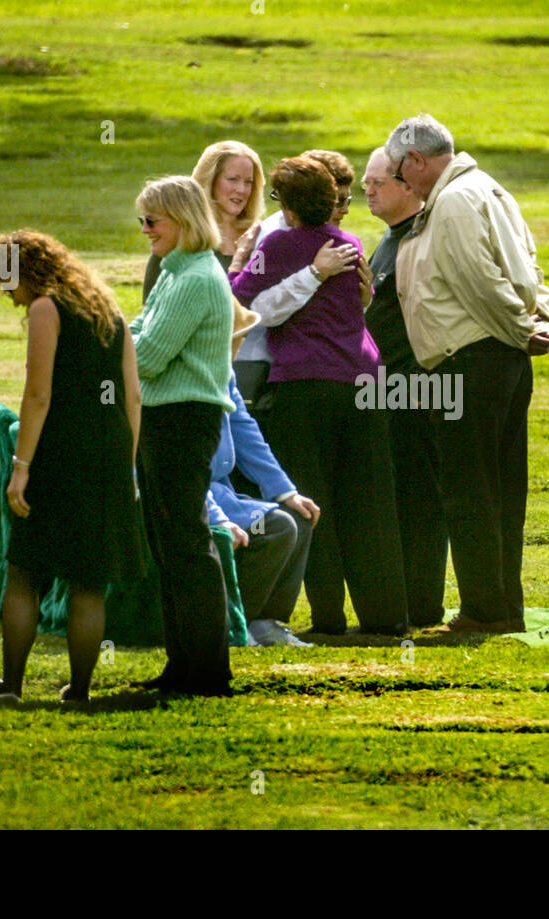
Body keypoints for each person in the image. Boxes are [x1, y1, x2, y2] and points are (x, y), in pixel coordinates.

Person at [384, 114, 549, 635]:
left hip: (471, 359)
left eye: (400, 171)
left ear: (416, 160)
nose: (401, 183)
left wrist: (519, 330)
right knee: (501, 488)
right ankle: (504, 607)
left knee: (469, 490)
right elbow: (527, 265)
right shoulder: (487, 188)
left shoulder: (455, 200)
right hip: (500, 355)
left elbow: (479, 283)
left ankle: (484, 610)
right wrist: (538, 319)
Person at [0, 231, 144, 703]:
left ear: (24, 272)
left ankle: (12, 686)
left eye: (8, 284)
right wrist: (125, 465)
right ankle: (79, 692)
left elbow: (38, 394)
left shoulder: (46, 308)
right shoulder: (110, 312)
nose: (10, 298)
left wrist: (20, 467)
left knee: (24, 571)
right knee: (88, 581)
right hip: (108, 451)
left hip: (63, 448)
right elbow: (133, 397)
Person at [231, 156, 407, 636]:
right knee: (369, 498)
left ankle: (327, 616)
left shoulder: (279, 243)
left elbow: (238, 299)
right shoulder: (348, 242)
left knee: (311, 497)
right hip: (363, 380)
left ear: (285, 205)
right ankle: (386, 615)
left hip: (304, 384)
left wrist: (240, 259)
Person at [130, 175, 236, 696]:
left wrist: (121, 342)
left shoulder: (195, 276)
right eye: (142, 220)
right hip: (163, 417)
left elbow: (147, 356)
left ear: (184, 220)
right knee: (167, 543)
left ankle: (208, 669)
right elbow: (138, 333)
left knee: (187, 544)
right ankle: (183, 664)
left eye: (153, 220)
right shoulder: (175, 271)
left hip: (184, 419)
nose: (145, 230)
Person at [360, 147, 447, 629]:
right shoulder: (389, 240)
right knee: (396, 498)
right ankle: (406, 602)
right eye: (365, 183)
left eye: (378, 182)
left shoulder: (422, 238)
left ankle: (424, 606)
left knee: (419, 499)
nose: (367, 191)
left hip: (417, 392)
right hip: (385, 393)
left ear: (408, 185)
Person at [208, 311, 320, 647]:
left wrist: (285, 492)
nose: (242, 344)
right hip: (196, 495)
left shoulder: (223, 371)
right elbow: (180, 466)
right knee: (277, 528)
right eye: (237, 336)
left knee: (296, 518)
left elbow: (244, 429)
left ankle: (265, 622)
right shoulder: (186, 375)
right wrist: (217, 518)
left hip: (222, 491)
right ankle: (233, 625)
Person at [228, 150, 366, 412]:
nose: (345, 209)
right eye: (337, 201)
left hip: (312, 376)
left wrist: (237, 262)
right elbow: (252, 310)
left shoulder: (341, 242)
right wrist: (314, 274)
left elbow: (237, 299)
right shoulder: (273, 237)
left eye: (347, 199)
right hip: (282, 374)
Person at [141, 141, 266, 302]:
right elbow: (150, 309)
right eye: (233, 179)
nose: (241, 189)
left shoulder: (260, 236)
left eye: (248, 182)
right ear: (209, 180)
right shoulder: (179, 236)